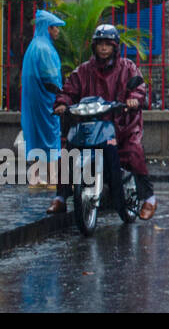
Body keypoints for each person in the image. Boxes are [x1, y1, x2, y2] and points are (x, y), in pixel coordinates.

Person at [54, 25, 155, 219]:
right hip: (88, 125)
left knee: (133, 151)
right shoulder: (83, 70)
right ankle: (60, 196)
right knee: (67, 152)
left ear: (115, 47)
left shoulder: (128, 67)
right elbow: (68, 90)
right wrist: (62, 103)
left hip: (121, 125)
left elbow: (139, 86)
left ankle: (149, 198)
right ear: (94, 46)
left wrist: (133, 98)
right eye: (99, 44)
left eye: (107, 45)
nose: (103, 49)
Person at [22, 11, 65, 208]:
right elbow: (52, 78)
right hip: (47, 101)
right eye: (56, 27)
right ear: (49, 28)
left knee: (35, 135)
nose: (58, 32)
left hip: (32, 101)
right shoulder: (46, 49)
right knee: (50, 135)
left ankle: (35, 177)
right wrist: (61, 95)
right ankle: (53, 177)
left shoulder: (33, 46)